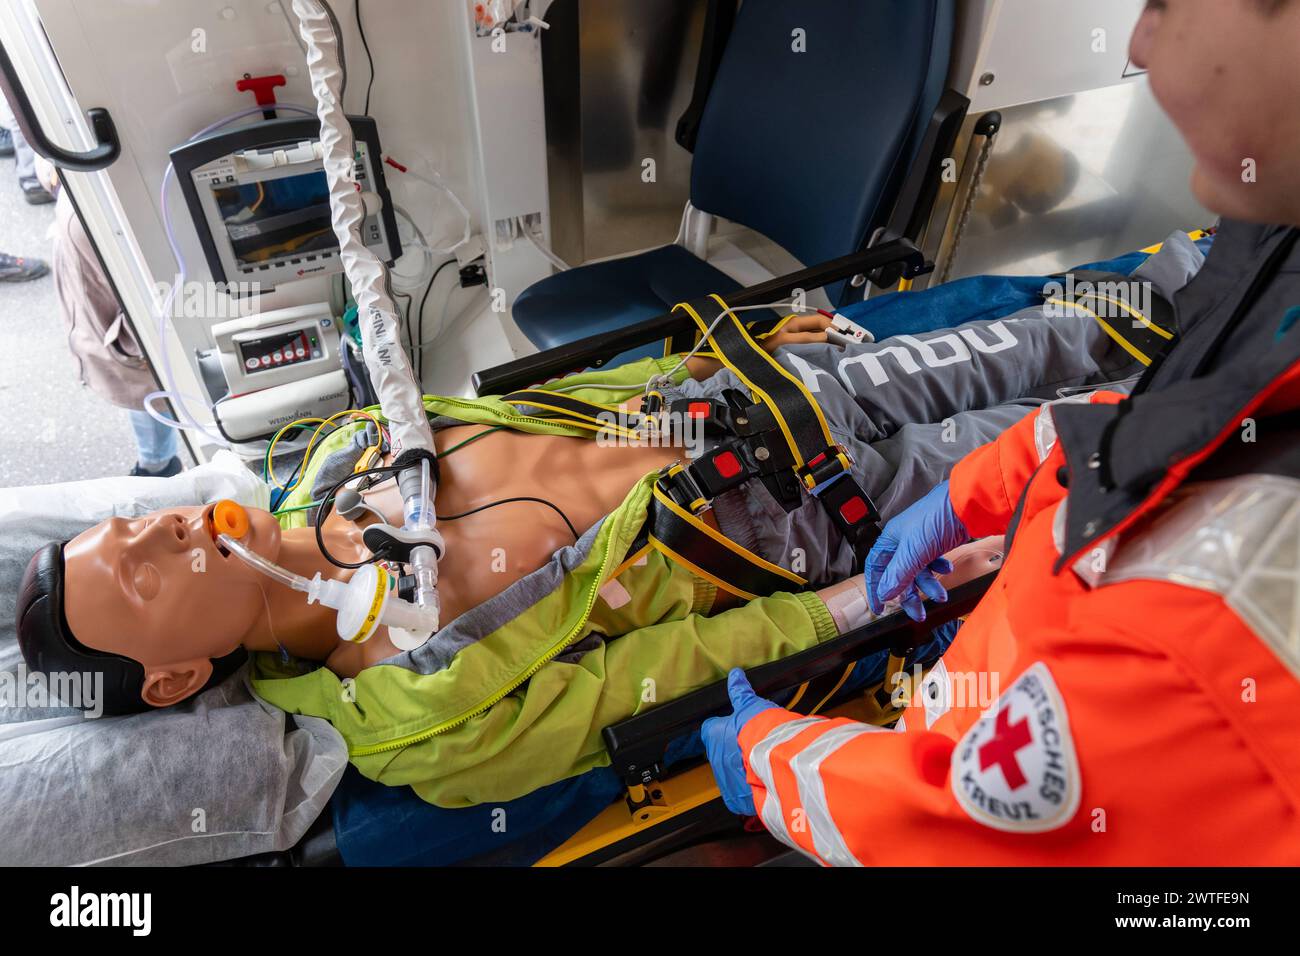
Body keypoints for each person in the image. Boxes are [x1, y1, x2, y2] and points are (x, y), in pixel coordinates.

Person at [13, 257, 1194, 808]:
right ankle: (1237, 407)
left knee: (1051, 324)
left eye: (139, 522)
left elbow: (542, 414)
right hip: (796, 525)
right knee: (1075, 429)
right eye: (145, 571)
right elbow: (662, 676)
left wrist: (739, 351)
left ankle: (1208, 277)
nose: (167, 528)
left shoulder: (330, 459)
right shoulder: (410, 715)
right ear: (173, 678)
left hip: (725, 397)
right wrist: (879, 602)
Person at [702, 0, 1300, 865]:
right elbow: (1176, 423)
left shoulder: (1231, 633)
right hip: (978, 690)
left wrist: (768, 767)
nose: (1134, 42)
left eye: (1165, 2)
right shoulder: (1271, 262)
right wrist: (968, 495)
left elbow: (965, 830)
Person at [40, 160, 182, 476]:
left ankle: (157, 465)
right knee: (146, 385)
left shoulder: (107, 208)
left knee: (147, 382)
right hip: (108, 321)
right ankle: (157, 463)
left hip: (124, 331)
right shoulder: (92, 202)